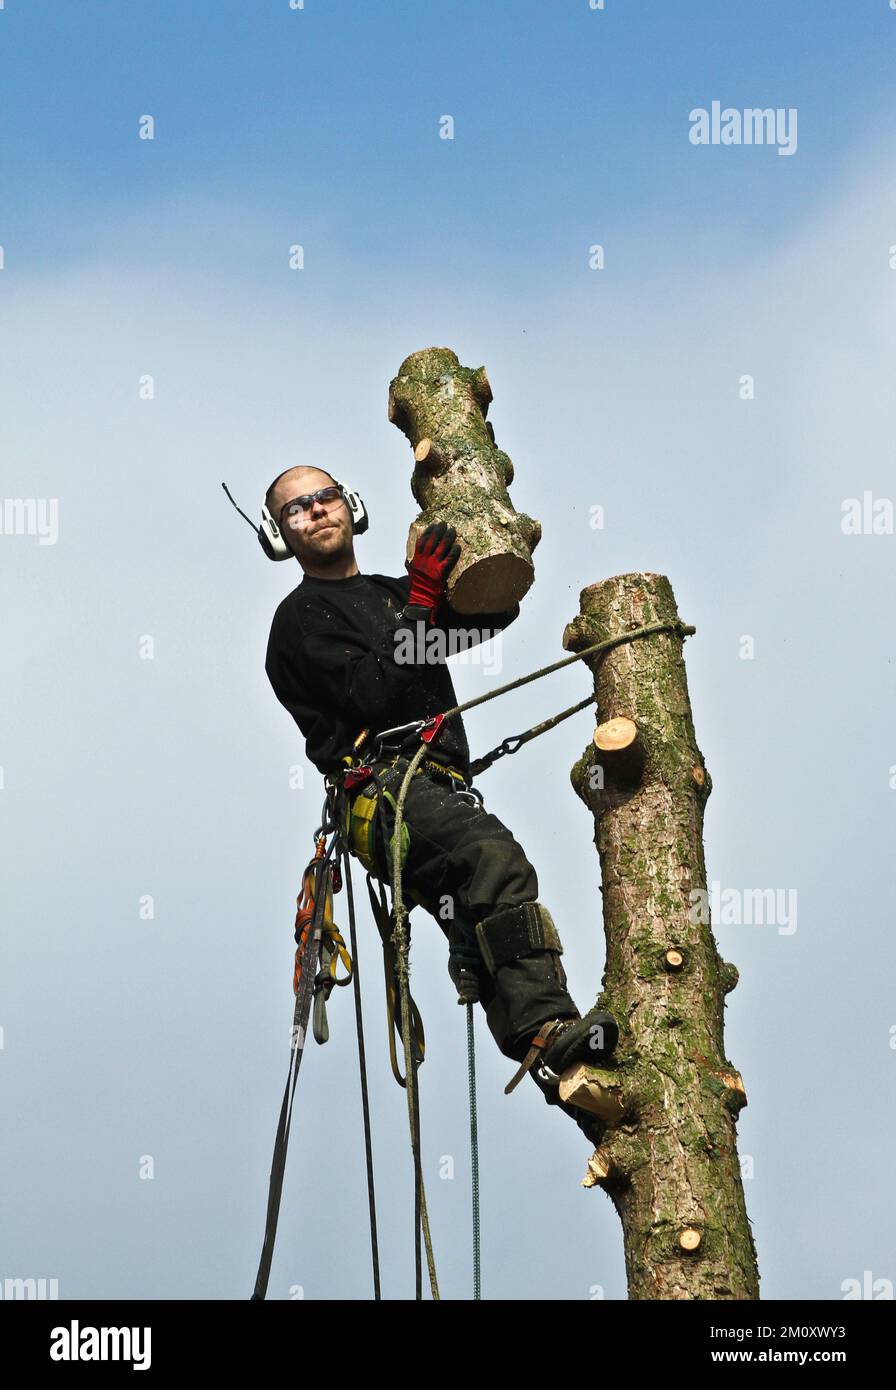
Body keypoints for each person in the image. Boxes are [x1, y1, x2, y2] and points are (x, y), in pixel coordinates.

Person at [263, 464, 620, 1146]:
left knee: (480, 916)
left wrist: (479, 559)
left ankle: (572, 1078)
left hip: (431, 787)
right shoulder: (299, 620)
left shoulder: (394, 594)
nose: (314, 512)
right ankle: (547, 1026)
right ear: (280, 535)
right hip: (382, 790)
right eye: (295, 510)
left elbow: (489, 616)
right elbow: (372, 694)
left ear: (351, 505)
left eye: (324, 497)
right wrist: (423, 603)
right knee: (493, 859)